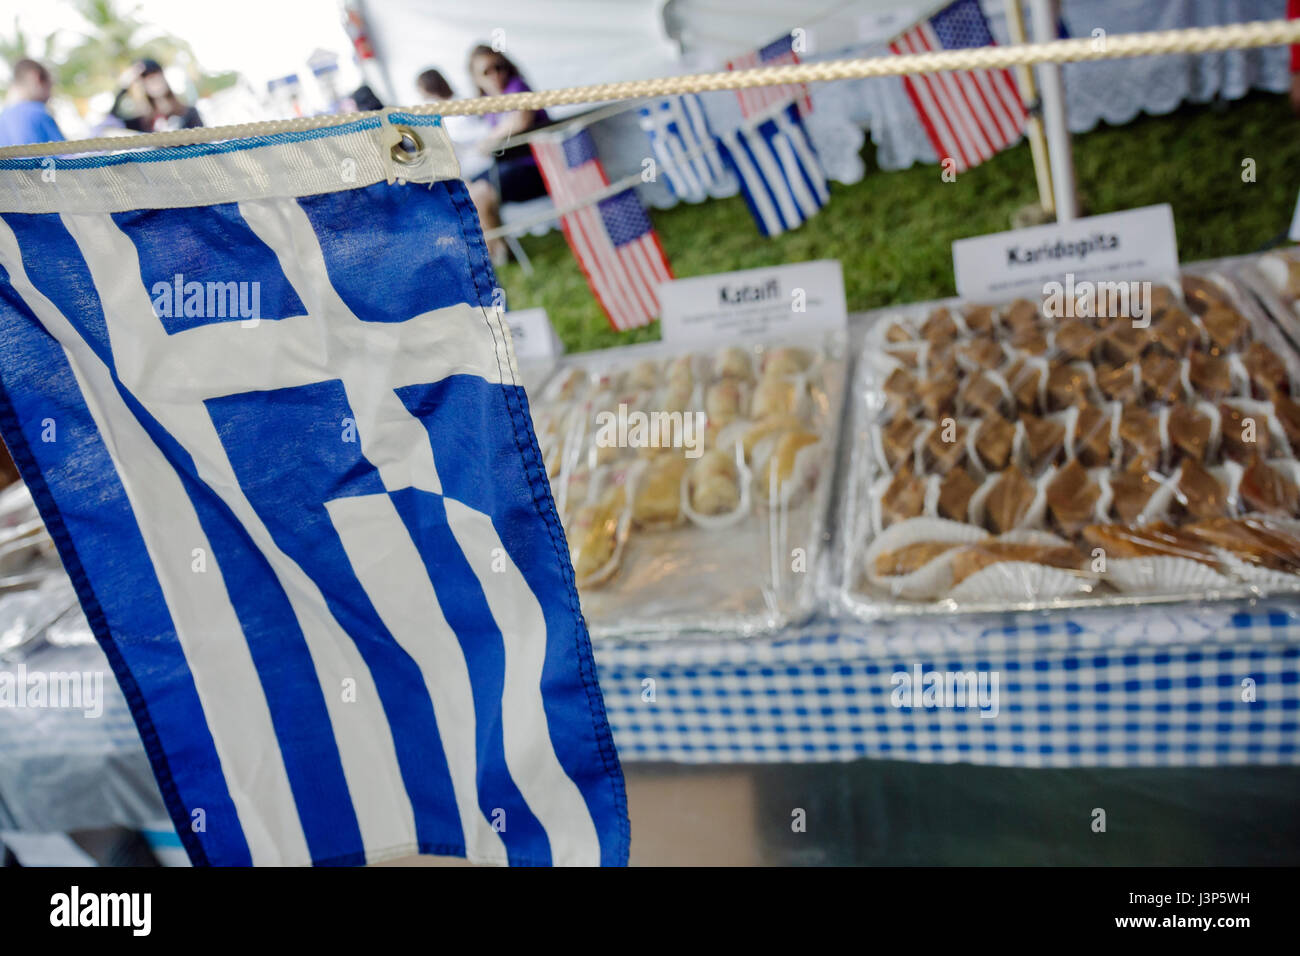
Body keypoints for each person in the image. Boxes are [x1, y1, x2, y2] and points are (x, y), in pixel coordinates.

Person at [465, 45, 551, 265]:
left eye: (499, 67)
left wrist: (489, 140)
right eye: (487, 71)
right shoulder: (489, 105)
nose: (495, 75)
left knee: (480, 194)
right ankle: (497, 248)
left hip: (538, 168)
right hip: (511, 168)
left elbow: (521, 120)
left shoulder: (516, 87)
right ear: (476, 78)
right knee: (467, 188)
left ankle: (495, 254)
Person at [416, 68, 491, 179]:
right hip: (466, 161)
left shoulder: (459, 105)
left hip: (479, 159)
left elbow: (476, 133)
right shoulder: (437, 110)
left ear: (428, 86)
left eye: (419, 87)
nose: (418, 91)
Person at [110, 59, 202, 133]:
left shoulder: (188, 113)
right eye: (146, 79)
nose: (153, 81)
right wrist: (124, 86)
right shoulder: (143, 122)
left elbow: (205, 145)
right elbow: (112, 119)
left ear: (163, 76)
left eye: (155, 75)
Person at [0, 59, 63, 148]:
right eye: (49, 87)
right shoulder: (37, 113)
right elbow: (67, 157)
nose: (50, 96)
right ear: (36, 78)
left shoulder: (3, 118)